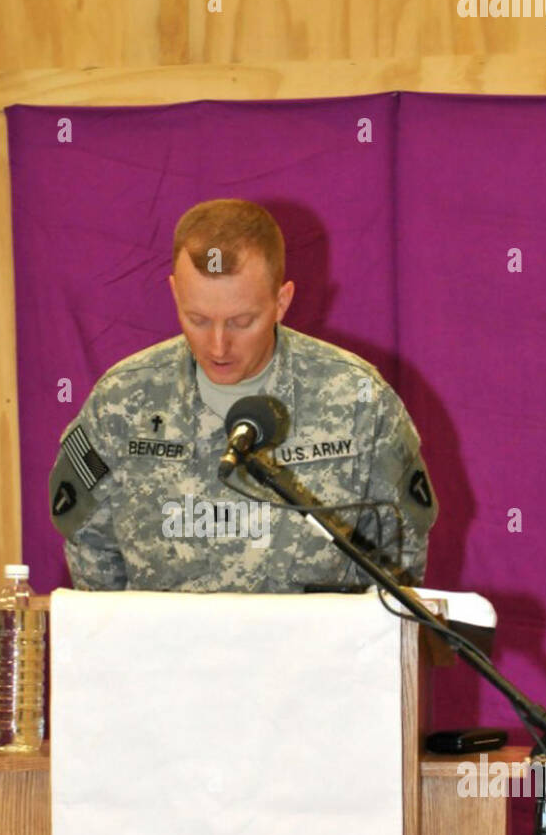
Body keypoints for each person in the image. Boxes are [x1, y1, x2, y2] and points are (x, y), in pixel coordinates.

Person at [48, 198, 438, 591]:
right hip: (165, 651)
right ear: (174, 292)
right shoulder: (121, 399)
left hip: (312, 652)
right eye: (197, 319)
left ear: (281, 301)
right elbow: (89, 545)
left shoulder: (357, 398)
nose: (218, 346)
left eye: (241, 321)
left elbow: (400, 554)